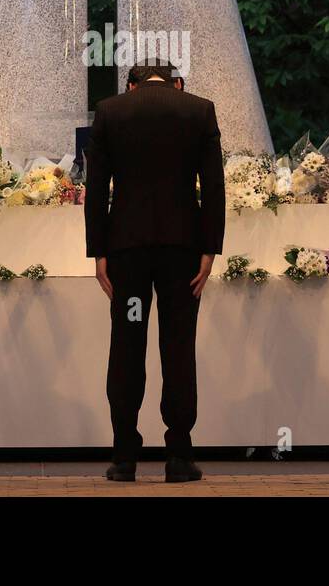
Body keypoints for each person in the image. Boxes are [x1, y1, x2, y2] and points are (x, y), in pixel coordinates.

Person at [83, 59, 225, 483]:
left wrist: (98, 251)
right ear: (177, 82)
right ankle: (179, 454)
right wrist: (210, 249)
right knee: (178, 345)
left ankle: (124, 455)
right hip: (182, 250)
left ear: (131, 84)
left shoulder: (111, 111)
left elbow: (97, 188)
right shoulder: (198, 110)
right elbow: (214, 187)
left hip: (127, 250)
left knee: (127, 344)